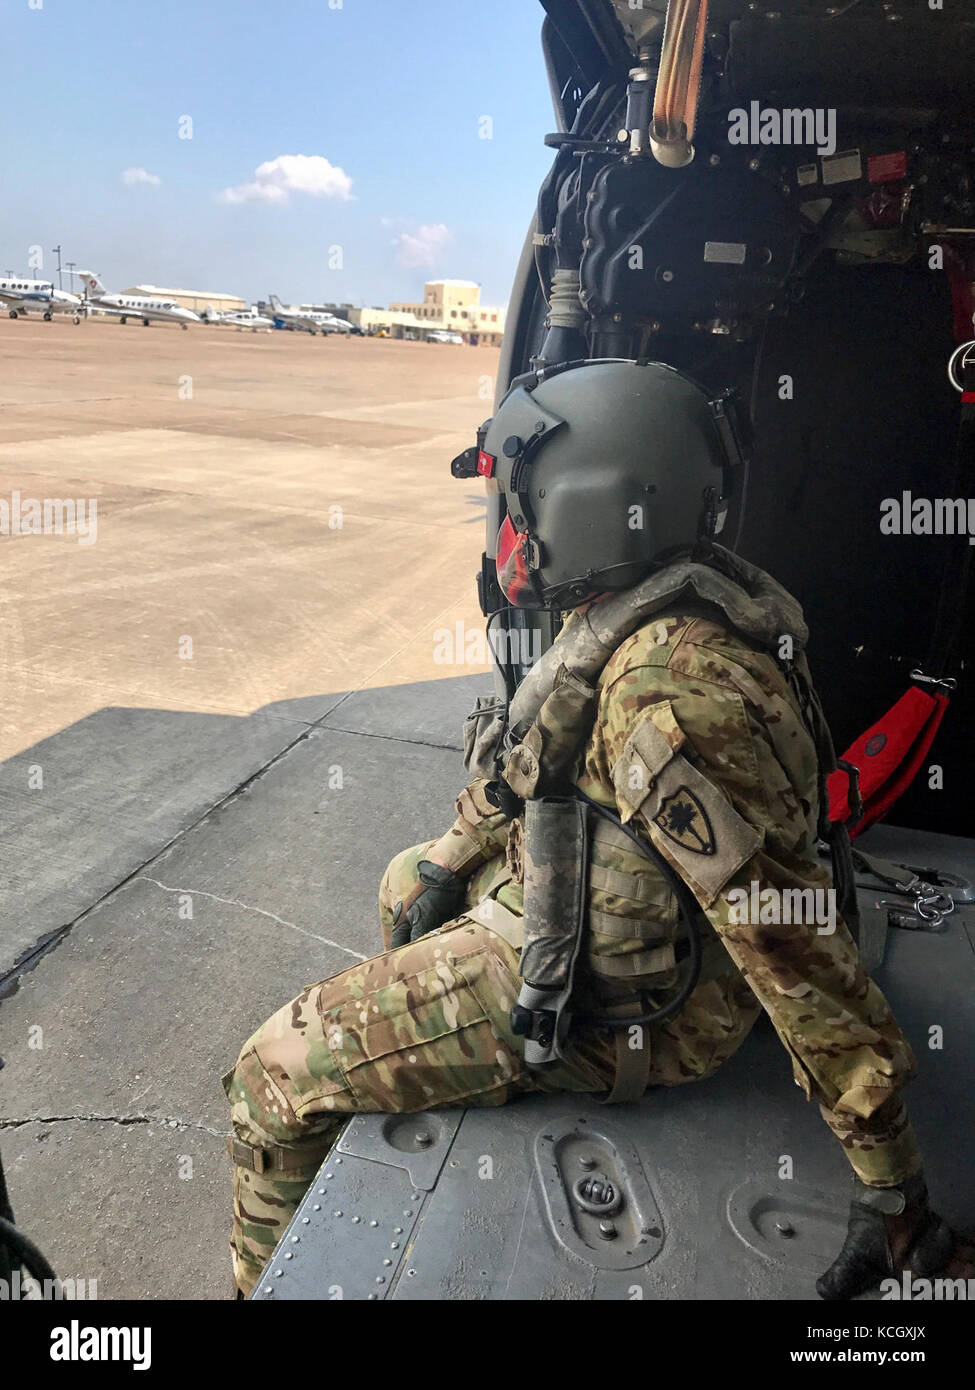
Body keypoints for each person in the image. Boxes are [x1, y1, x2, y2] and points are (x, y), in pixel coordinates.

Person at [225, 359, 966, 1300]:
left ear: (594, 504)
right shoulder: (651, 605)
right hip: (605, 920)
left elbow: (782, 938)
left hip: (648, 1009)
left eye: (525, 505)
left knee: (267, 1078)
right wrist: (452, 858)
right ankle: (426, 1056)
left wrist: (894, 1188)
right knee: (405, 877)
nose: (511, 530)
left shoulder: (667, 690)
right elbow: (531, 766)